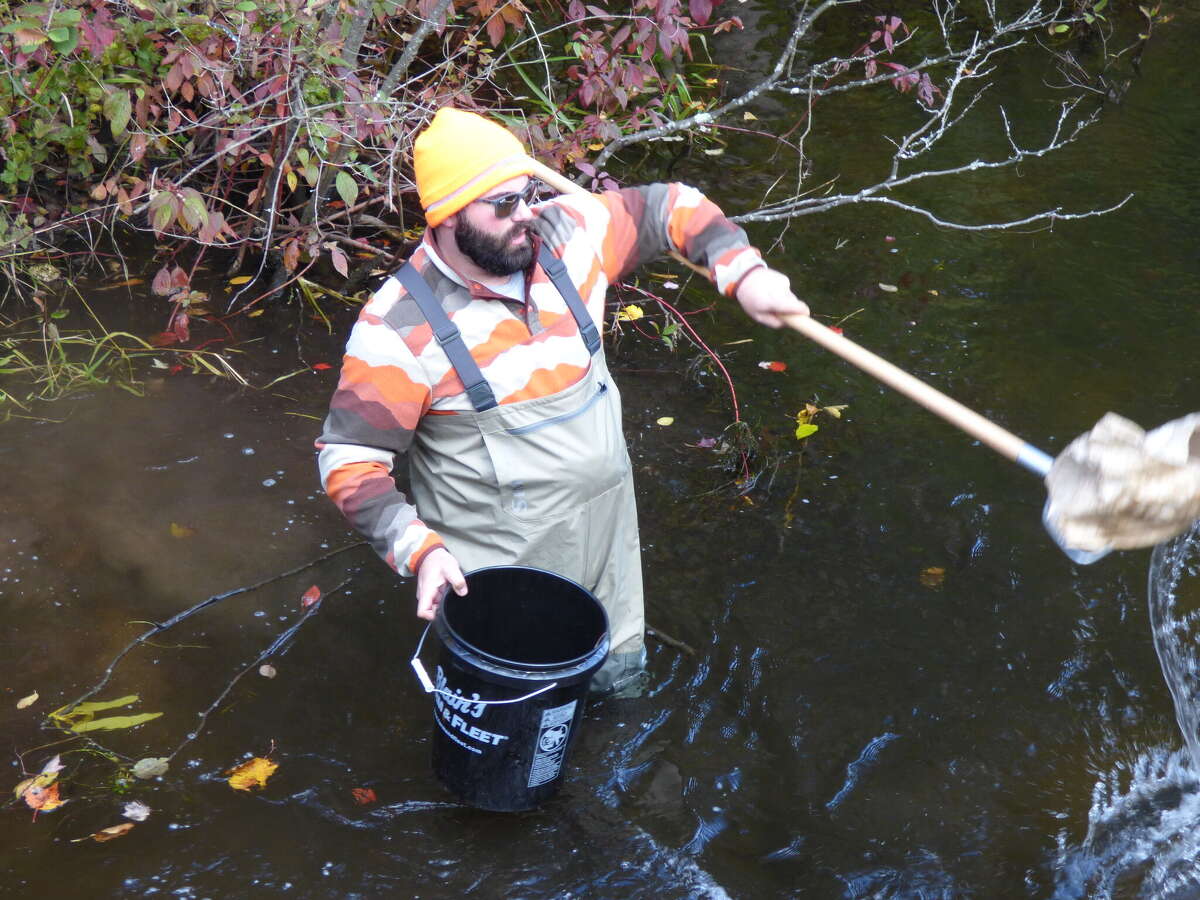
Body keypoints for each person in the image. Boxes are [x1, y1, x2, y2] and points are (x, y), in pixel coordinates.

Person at [316, 106, 810, 694]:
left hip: (608, 557)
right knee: (516, 741)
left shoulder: (569, 235)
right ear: (448, 217)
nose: (527, 213)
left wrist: (742, 270)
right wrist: (418, 551)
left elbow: (670, 206)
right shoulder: (396, 330)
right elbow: (348, 460)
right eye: (502, 204)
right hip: (502, 590)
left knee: (621, 700)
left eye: (528, 192)